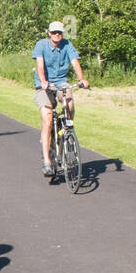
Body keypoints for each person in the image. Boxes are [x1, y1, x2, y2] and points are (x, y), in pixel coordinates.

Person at [32, 20, 89, 178]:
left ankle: (67, 128)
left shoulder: (67, 44)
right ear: (49, 33)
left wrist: (81, 79)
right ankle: (48, 163)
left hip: (60, 82)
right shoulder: (41, 45)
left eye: (59, 32)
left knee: (69, 99)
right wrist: (43, 81)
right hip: (43, 85)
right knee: (48, 119)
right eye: (54, 32)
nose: (57, 35)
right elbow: (40, 64)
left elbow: (75, 62)